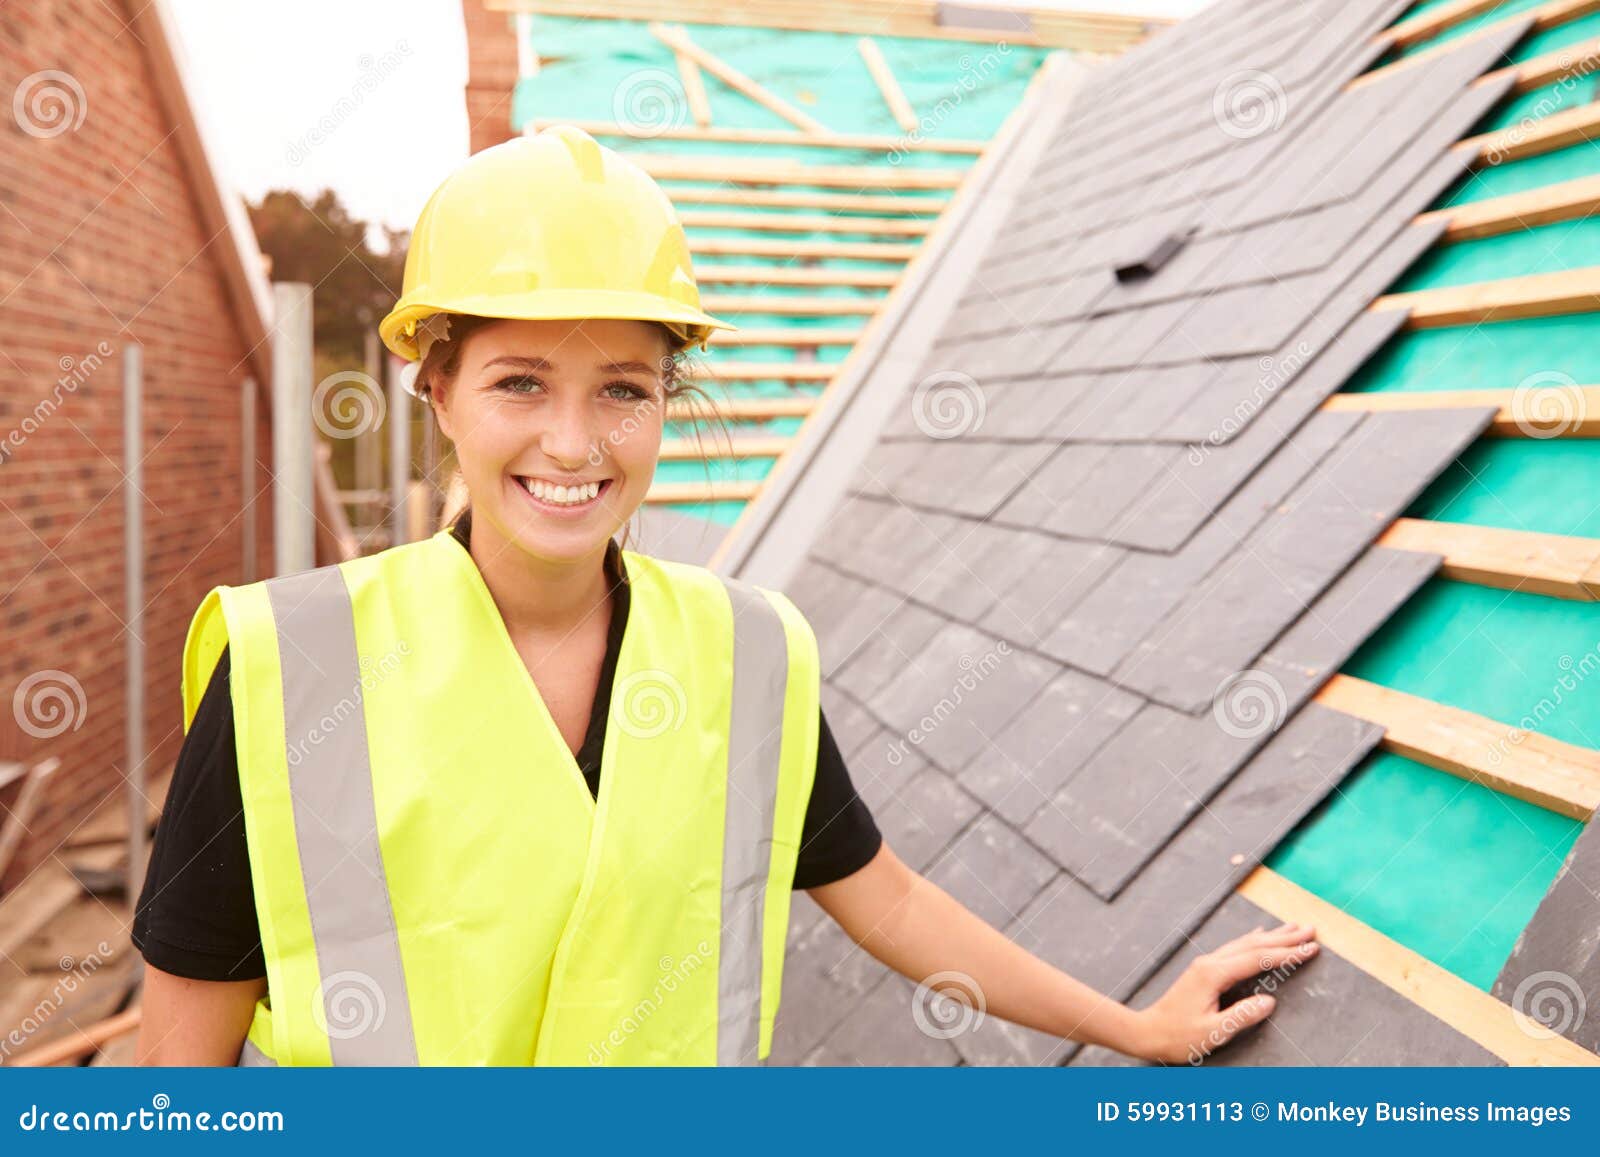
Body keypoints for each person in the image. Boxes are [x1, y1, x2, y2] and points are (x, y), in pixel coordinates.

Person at [132, 124, 1317, 1067]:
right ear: (436, 387)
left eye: (624, 391)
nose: (572, 440)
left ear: (665, 402)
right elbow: (180, 1070)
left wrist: (1135, 1024)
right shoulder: (298, 668)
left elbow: (889, 899)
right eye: (519, 381)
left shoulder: (741, 654)